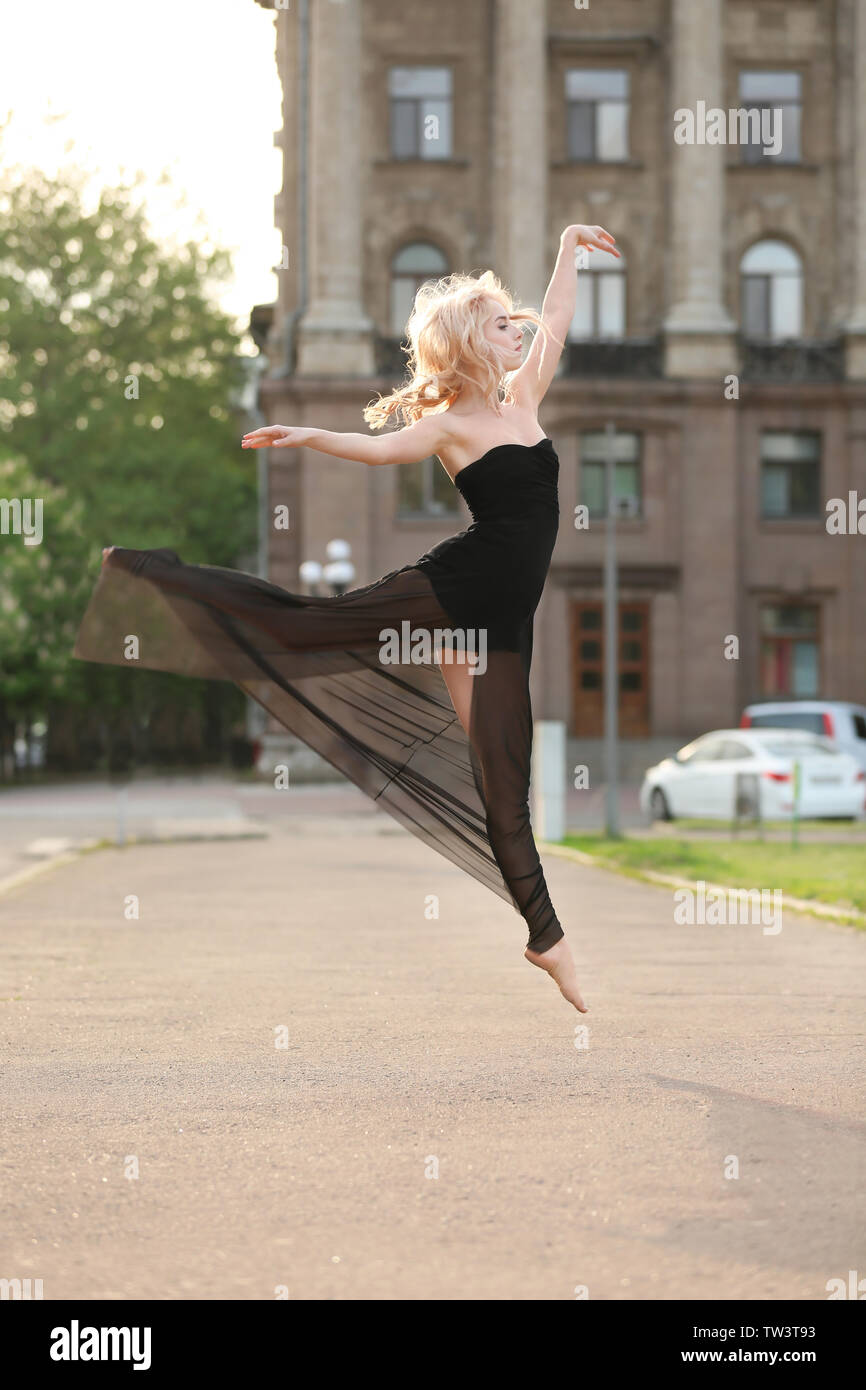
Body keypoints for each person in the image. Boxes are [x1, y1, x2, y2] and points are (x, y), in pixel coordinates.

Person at [80, 222, 619, 1014]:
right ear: (473, 342)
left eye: (516, 323)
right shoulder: (449, 428)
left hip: (500, 626)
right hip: (453, 592)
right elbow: (376, 453)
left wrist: (569, 248)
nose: (520, 333)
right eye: (502, 325)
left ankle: (547, 939)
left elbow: (559, 317)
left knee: (503, 782)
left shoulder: (526, 398)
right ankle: (151, 572)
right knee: (304, 628)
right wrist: (306, 435)